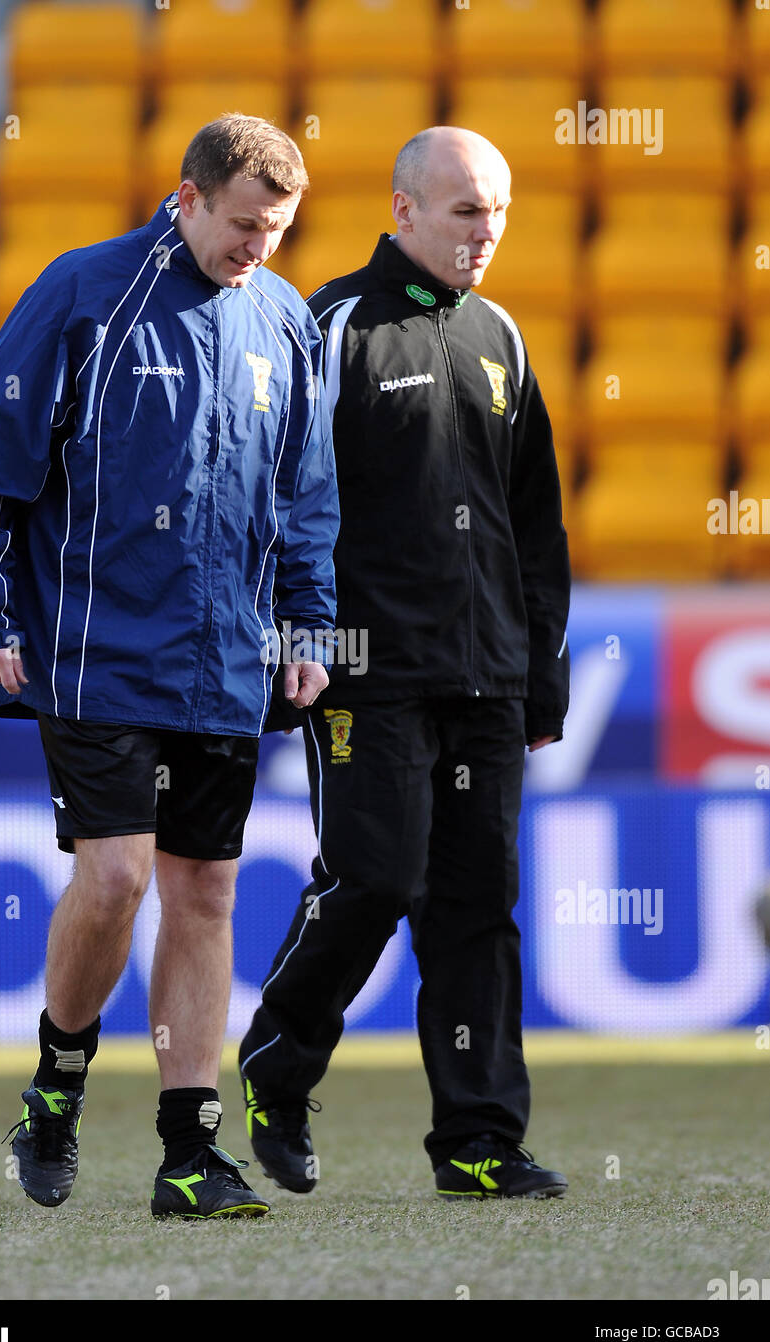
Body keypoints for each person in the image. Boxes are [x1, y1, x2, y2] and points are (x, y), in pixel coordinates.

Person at [0, 115, 339, 1220]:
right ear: (187, 197)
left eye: (279, 231)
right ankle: (54, 1096)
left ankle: (188, 1152)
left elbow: (305, 494)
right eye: (244, 224)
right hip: (94, 647)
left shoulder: (285, 319)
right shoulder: (85, 294)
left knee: (204, 890)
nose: (260, 246)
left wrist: (307, 624)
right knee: (115, 878)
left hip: (222, 659)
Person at [239, 127, 572, 1201]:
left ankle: (479, 1141)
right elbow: (277, 498)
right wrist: (299, 638)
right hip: (363, 670)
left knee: (476, 904)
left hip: (487, 674)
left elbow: (537, 522)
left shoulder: (503, 338)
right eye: (467, 209)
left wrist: (540, 669)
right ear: (403, 211)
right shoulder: (332, 325)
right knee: (374, 876)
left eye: (500, 210)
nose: (487, 232)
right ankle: (274, 1065)